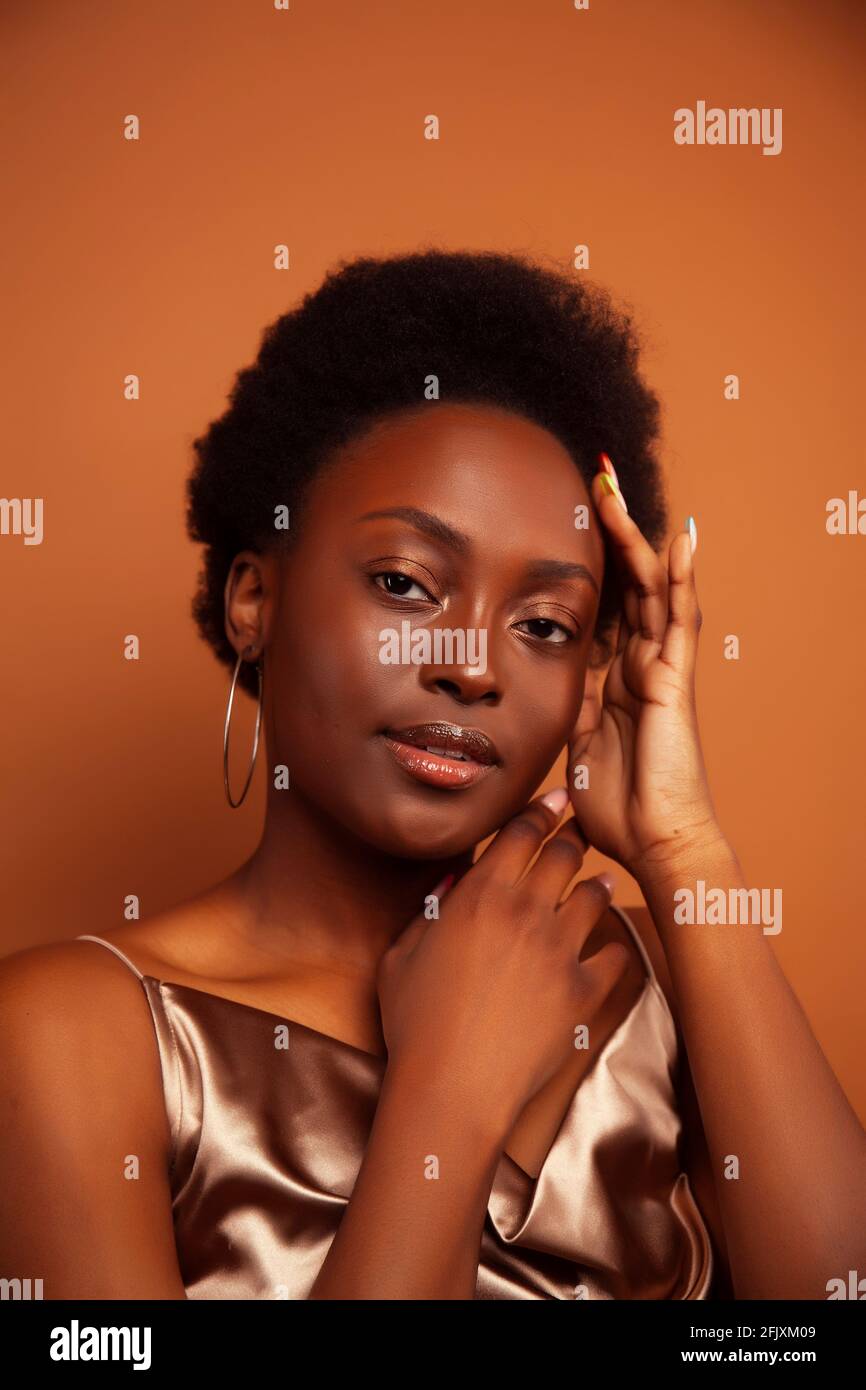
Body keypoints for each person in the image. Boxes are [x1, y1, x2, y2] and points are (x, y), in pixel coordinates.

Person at [1, 250, 864, 1300]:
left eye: (544, 624)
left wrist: (684, 850)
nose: (469, 662)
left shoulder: (652, 982)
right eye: (406, 583)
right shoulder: (78, 1033)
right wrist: (447, 1097)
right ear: (251, 601)